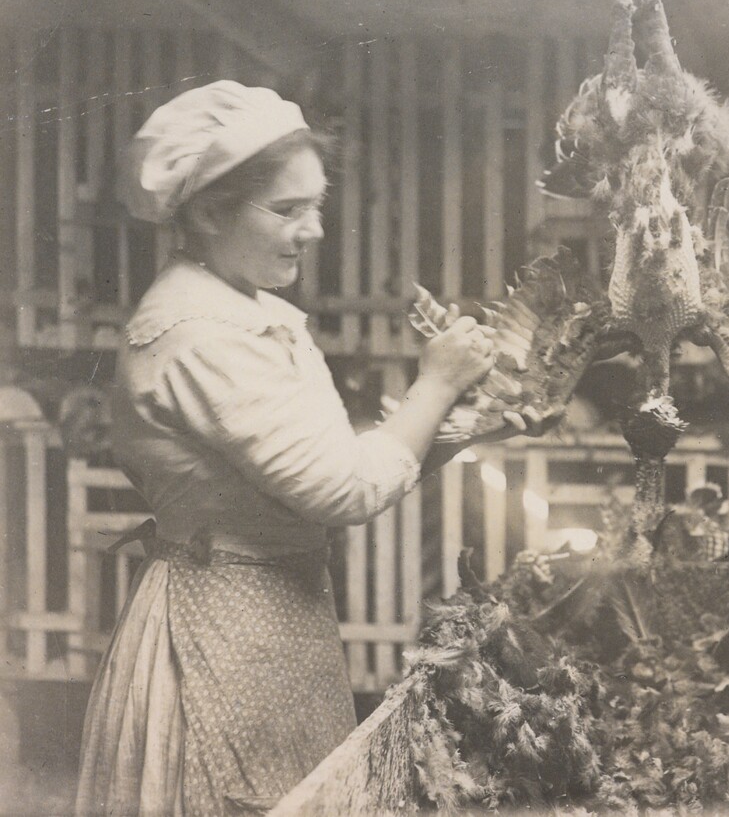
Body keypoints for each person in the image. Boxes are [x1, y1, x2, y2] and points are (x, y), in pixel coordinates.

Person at [76, 81, 499, 815]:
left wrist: (468, 418)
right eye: (286, 209)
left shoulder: (247, 312)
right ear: (208, 212)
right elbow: (342, 490)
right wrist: (435, 384)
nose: (314, 230)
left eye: (317, 205)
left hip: (271, 623)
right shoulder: (202, 334)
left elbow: (334, 470)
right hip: (220, 632)